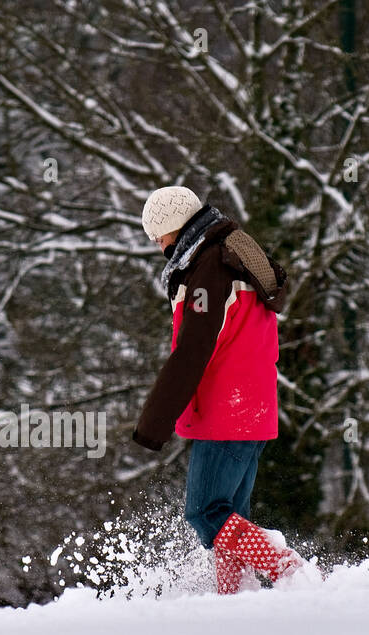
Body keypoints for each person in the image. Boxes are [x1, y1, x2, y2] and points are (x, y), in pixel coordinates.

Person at [131, 185, 322, 593]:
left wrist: (153, 424)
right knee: (233, 519)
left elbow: (193, 351)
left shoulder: (208, 269)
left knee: (206, 513)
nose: (159, 245)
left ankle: (292, 571)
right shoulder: (238, 258)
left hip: (226, 412)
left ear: (176, 227)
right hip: (253, 409)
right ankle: (235, 598)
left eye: (159, 235)